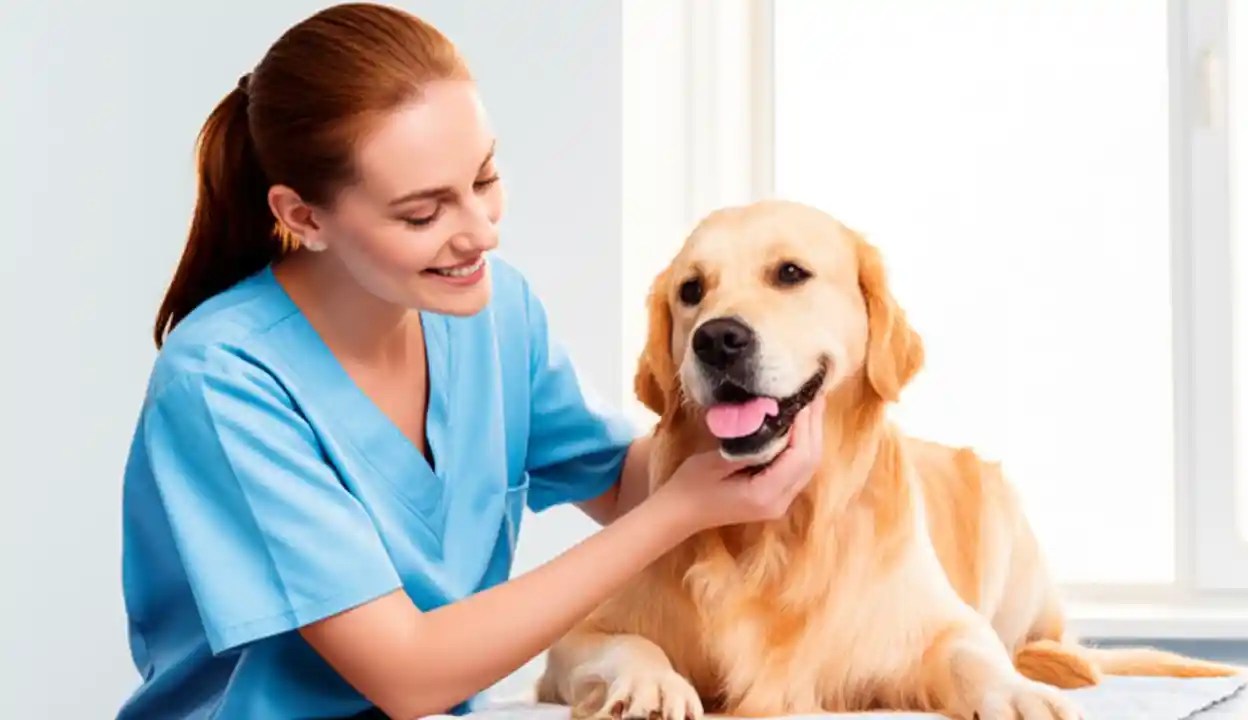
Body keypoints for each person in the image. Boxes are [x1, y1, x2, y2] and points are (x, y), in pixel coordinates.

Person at [116, 4, 823, 719]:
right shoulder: (222, 380)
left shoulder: (494, 311)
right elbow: (406, 675)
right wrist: (681, 510)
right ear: (304, 217)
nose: (481, 232)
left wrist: (759, 430)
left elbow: (620, 482)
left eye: (484, 179)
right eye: (424, 214)